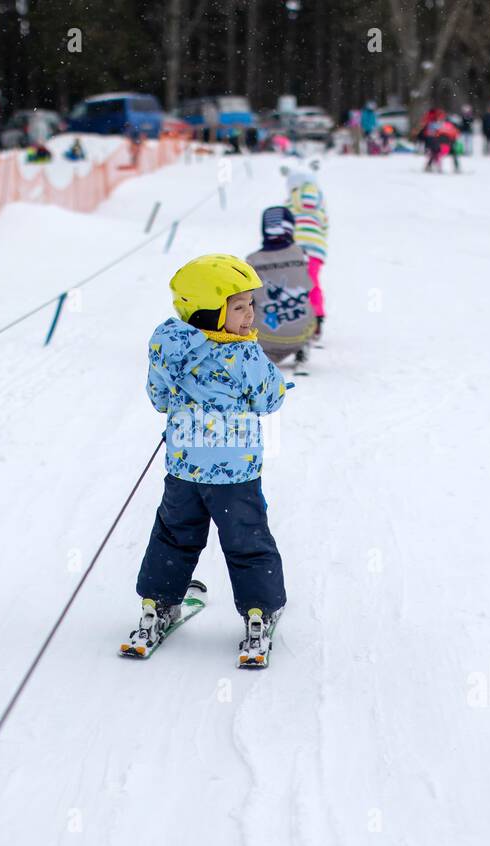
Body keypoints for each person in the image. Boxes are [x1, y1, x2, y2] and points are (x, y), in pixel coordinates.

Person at [130, 254, 289, 667]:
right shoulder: (244, 356)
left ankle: (158, 603)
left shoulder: (167, 346)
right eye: (238, 307)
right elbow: (269, 399)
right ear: (207, 311)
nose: (249, 314)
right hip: (236, 474)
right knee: (246, 539)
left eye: (250, 304)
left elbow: (159, 398)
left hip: (184, 469)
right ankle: (259, 610)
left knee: (174, 535)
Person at [246, 207, 316, 369]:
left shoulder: (252, 261)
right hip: (303, 331)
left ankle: (259, 357)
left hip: (266, 337)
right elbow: (311, 287)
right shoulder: (302, 254)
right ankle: (300, 345)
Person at [286, 162, 328, 338]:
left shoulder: (290, 204)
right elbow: (325, 228)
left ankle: (294, 319)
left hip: (295, 249)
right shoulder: (320, 206)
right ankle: (317, 318)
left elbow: (285, 226)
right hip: (315, 251)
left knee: (292, 284)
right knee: (312, 283)